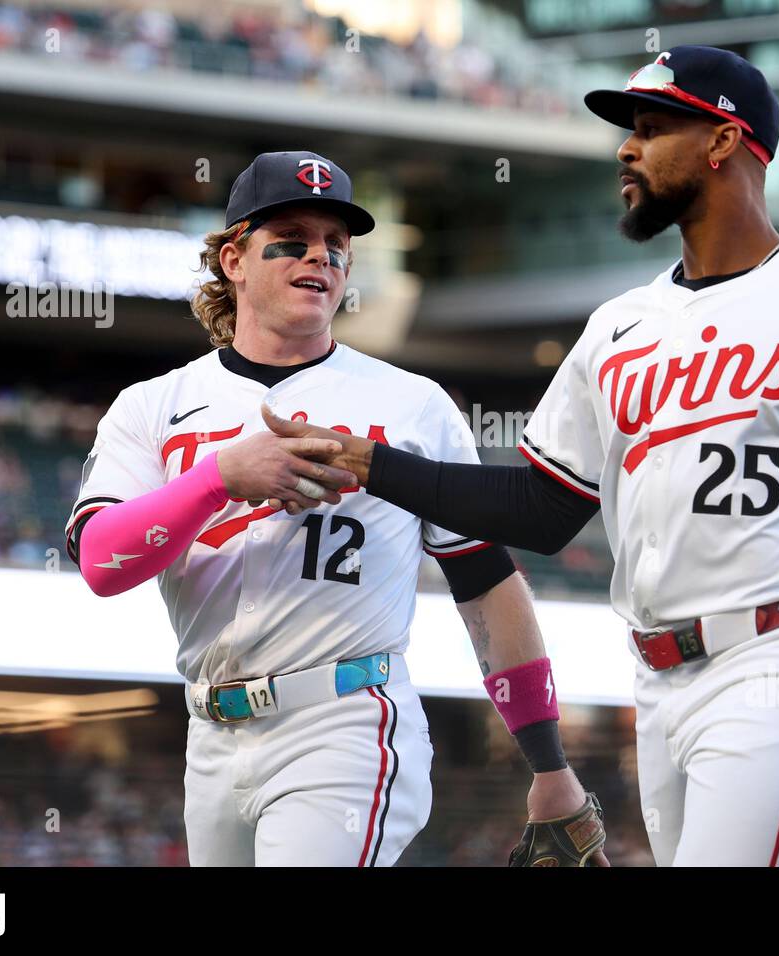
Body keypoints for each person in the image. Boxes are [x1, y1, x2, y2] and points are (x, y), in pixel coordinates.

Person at [262, 50, 779, 866]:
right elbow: (544, 512)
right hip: (655, 681)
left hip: (778, 661)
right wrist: (376, 465)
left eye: (654, 130)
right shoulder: (618, 326)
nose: (627, 148)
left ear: (725, 141)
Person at [64, 150, 604, 866]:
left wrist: (548, 763)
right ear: (234, 258)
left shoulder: (409, 403)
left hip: (346, 720)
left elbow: (485, 582)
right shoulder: (153, 405)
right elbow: (103, 563)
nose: (318, 256)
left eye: (336, 246)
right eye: (290, 240)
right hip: (212, 733)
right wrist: (220, 476)